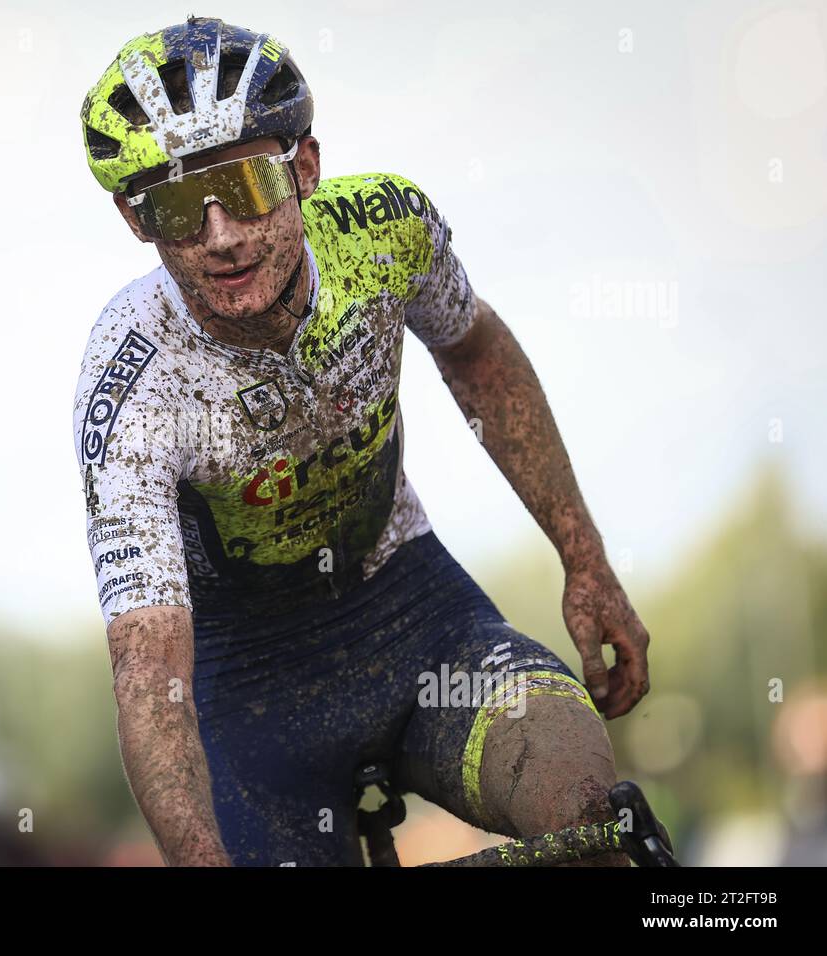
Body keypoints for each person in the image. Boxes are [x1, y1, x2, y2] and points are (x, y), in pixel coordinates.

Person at [71, 16, 651, 866]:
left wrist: (585, 556)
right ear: (134, 218)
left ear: (304, 168)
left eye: (247, 185)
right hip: (246, 700)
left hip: (410, 610)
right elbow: (149, 674)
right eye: (173, 205)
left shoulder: (385, 230)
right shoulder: (133, 384)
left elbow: (477, 353)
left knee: (588, 815)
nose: (222, 234)